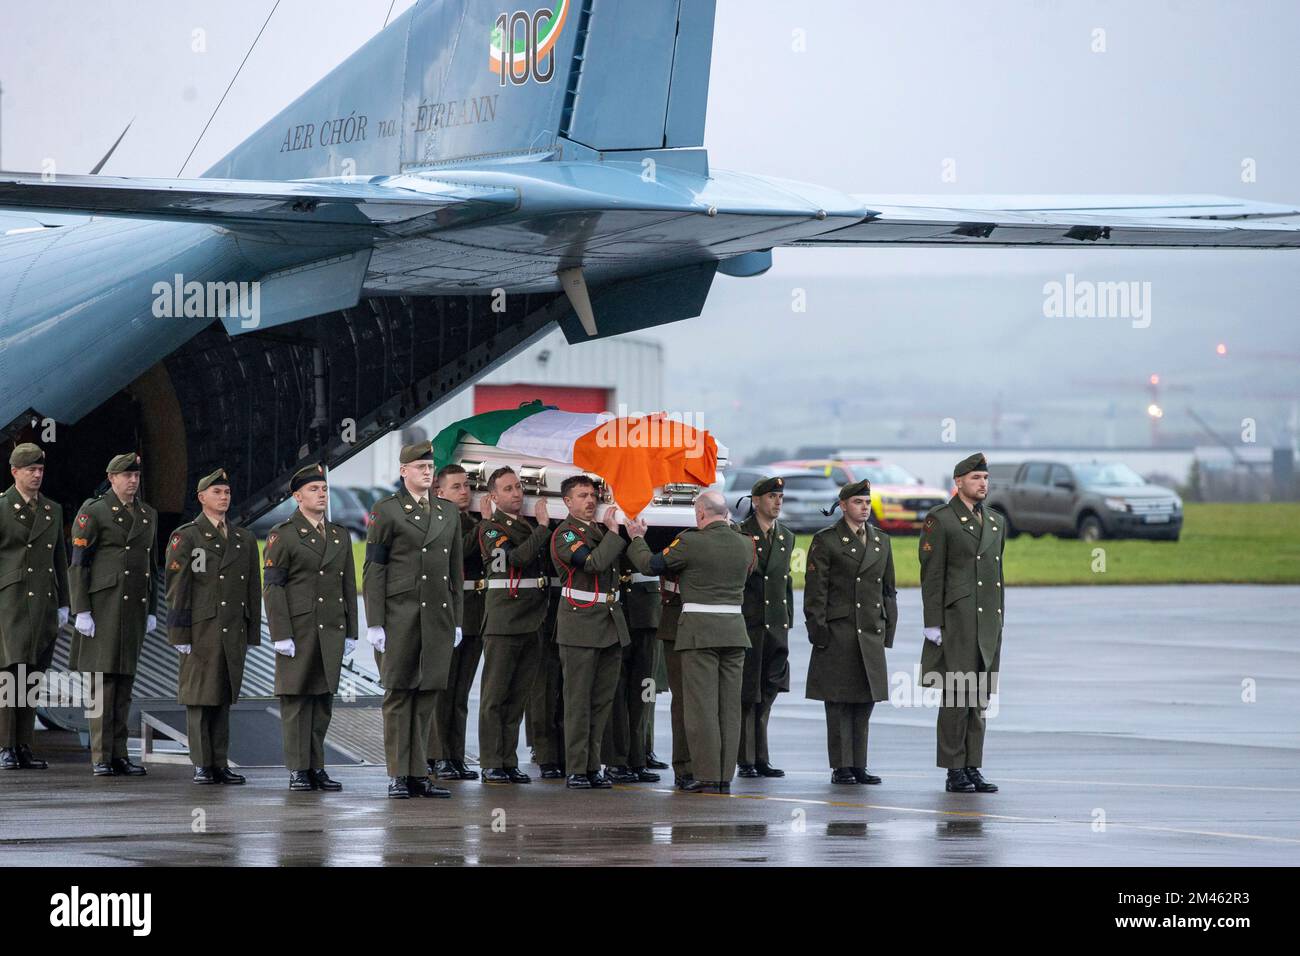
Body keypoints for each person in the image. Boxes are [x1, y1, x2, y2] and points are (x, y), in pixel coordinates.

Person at [625, 491, 753, 793]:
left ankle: (706, 775)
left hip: (700, 632)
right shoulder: (746, 544)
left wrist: (636, 539)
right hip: (734, 631)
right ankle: (723, 775)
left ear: (700, 514)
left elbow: (650, 565)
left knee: (701, 707)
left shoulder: (692, 543)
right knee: (729, 707)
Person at [364, 441, 463, 799]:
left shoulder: (448, 512)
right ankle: (398, 775)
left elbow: (455, 572)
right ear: (404, 471)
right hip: (400, 615)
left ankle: (419, 773)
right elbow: (374, 568)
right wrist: (375, 622)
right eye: (419, 466)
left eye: (430, 465)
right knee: (399, 694)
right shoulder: (387, 511)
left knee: (426, 696)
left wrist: (456, 620)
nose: (426, 470)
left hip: (437, 616)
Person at [263, 463, 358, 792]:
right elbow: (273, 586)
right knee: (296, 702)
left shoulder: (338, 534)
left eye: (324, 489)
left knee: (322, 702)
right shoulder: (283, 534)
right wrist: (280, 634)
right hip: (299, 630)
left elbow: (348, 585)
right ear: (297, 496)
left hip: (330, 629)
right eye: (314, 489)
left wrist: (352, 632)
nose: (321, 494)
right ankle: (298, 769)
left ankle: (317, 767)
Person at [164, 468, 263, 784]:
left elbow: (252, 589)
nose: (223, 497)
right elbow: (178, 587)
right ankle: (202, 763)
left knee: (223, 695)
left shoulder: (243, 539)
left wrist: (252, 631)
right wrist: (179, 632)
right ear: (202, 497)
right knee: (199, 697)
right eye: (217, 492)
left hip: (232, 627)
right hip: (201, 627)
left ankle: (220, 762)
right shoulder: (188, 536)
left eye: (227, 493)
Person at [919, 452, 1004, 794]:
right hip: (956, 621)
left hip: (987, 622)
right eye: (975, 479)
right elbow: (932, 573)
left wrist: (999, 621)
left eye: (985, 478)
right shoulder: (941, 520)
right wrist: (933, 622)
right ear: (958, 483)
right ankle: (954, 769)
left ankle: (973, 765)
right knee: (956, 696)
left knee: (980, 698)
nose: (982, 484)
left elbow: (996, 576)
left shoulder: (996, 521)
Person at [69, 453, 157, 777]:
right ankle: (100, 756)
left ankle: (119, 753)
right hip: (103, 608)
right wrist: (81, 609)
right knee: (102, 685)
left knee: (124, 684)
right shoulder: (94, 512)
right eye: (126, 475)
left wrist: (152, 609)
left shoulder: (148, 514)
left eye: (136, 475)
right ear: (111, 477)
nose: (132, 481)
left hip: (132, 608)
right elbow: (79, 562)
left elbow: (152, 566)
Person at [804, 479, 896, 784]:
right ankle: (841, 766)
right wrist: (818, 632)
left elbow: (888, 590)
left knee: (864, 700)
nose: (864, 508)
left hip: (870, 631)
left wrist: (888, 630)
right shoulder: (827, 540)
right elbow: (816, 591)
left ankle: (859, 764)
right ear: (843, 506)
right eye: (858, 502)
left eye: (867, 503)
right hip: (839, 630)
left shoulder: (881, 541)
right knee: (840, 701)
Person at [549, 476, 629, 790]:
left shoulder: (595, 530)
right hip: (580, 624)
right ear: (567, 502)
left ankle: (593, 765)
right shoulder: (566, 534)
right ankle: (576, 768)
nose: (590, 500)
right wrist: (613, 532)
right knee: (578, 701)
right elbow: (593, 563)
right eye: (582, 495)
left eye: (593, 494)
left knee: (601, 701)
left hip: (610, 623)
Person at [476, 467, 551, 784]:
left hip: (531, 618)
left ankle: (508, 760)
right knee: (496, 696)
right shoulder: (491, 530)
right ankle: (492, 761)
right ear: (493, 497)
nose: (517, 493)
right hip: (504, 620)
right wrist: (543, 528)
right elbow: (516, 558)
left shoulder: (524, 525)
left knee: (518, 695)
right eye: (508, 489)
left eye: (519, 487)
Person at [0, 443, 68, 771]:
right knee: (9, 673)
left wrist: (65, 603)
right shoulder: (2, 508)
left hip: (44, 601)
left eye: (40, 470)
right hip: (10, 602)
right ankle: (6, 745)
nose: (37, 475)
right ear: (15, 472)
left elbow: (60, 559)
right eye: (30, 470)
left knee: (31, 676)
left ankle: (24, 744)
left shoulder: (52, 510)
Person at [428, 464, 484, 781]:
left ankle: (455, 755)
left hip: (474, 613)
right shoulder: (438, 521)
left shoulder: (473, 521)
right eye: (457, 487)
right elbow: (458, 552)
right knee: (442, 690)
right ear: (439, 492)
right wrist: (484, 525)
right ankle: (436, 755)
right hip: (447, 613)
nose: (465, 491)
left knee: (461, 693)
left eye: (467, 486)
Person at [735, 476, 793, 778]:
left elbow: (785, 583)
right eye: (772, 496)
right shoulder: (742, 534)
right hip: (750, 622)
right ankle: (746, 758)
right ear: (756, 501)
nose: (778, 501)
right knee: (748, 692)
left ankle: (761, 756)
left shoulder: (786, 536)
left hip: (775, 626)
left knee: (768, 690)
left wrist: (788, 621)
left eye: (780, 496)